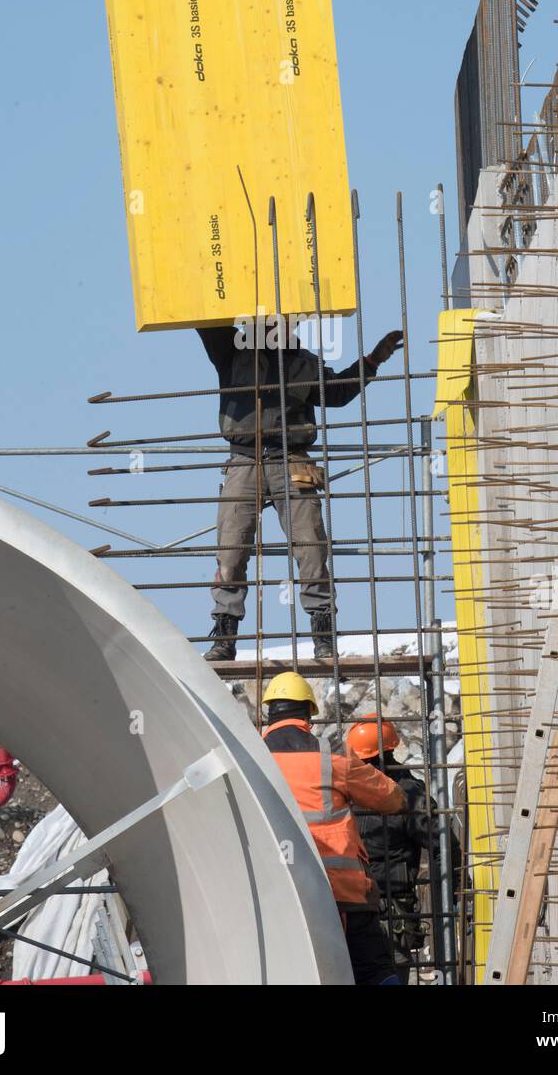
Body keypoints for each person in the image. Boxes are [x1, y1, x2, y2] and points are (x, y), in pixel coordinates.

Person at [198, 321, 402, 661]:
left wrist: (371, 362)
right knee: (231, 550)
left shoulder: (302, 361)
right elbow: (208, 321)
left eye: (287, 323)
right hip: (245, 460)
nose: (284, 328)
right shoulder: (232, 351)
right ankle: (224, 637)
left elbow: (335, 392)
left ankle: (323, 636)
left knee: (311, 548)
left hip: (292, 460)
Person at [261, 671, 407, 986]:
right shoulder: (330, 756)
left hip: (280, 895)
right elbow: (391, 798)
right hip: (343, 894)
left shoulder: (251, 758)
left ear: (268, 713)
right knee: (375, 972)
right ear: (308, 715)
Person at [347, 715, 461, 984]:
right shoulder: (407, 792)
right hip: (384, 912)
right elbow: (444, 845)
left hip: (366, 911)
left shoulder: (355, 792)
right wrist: (449, 894)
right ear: (391, 747)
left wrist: (448, 893)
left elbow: (443, 846)